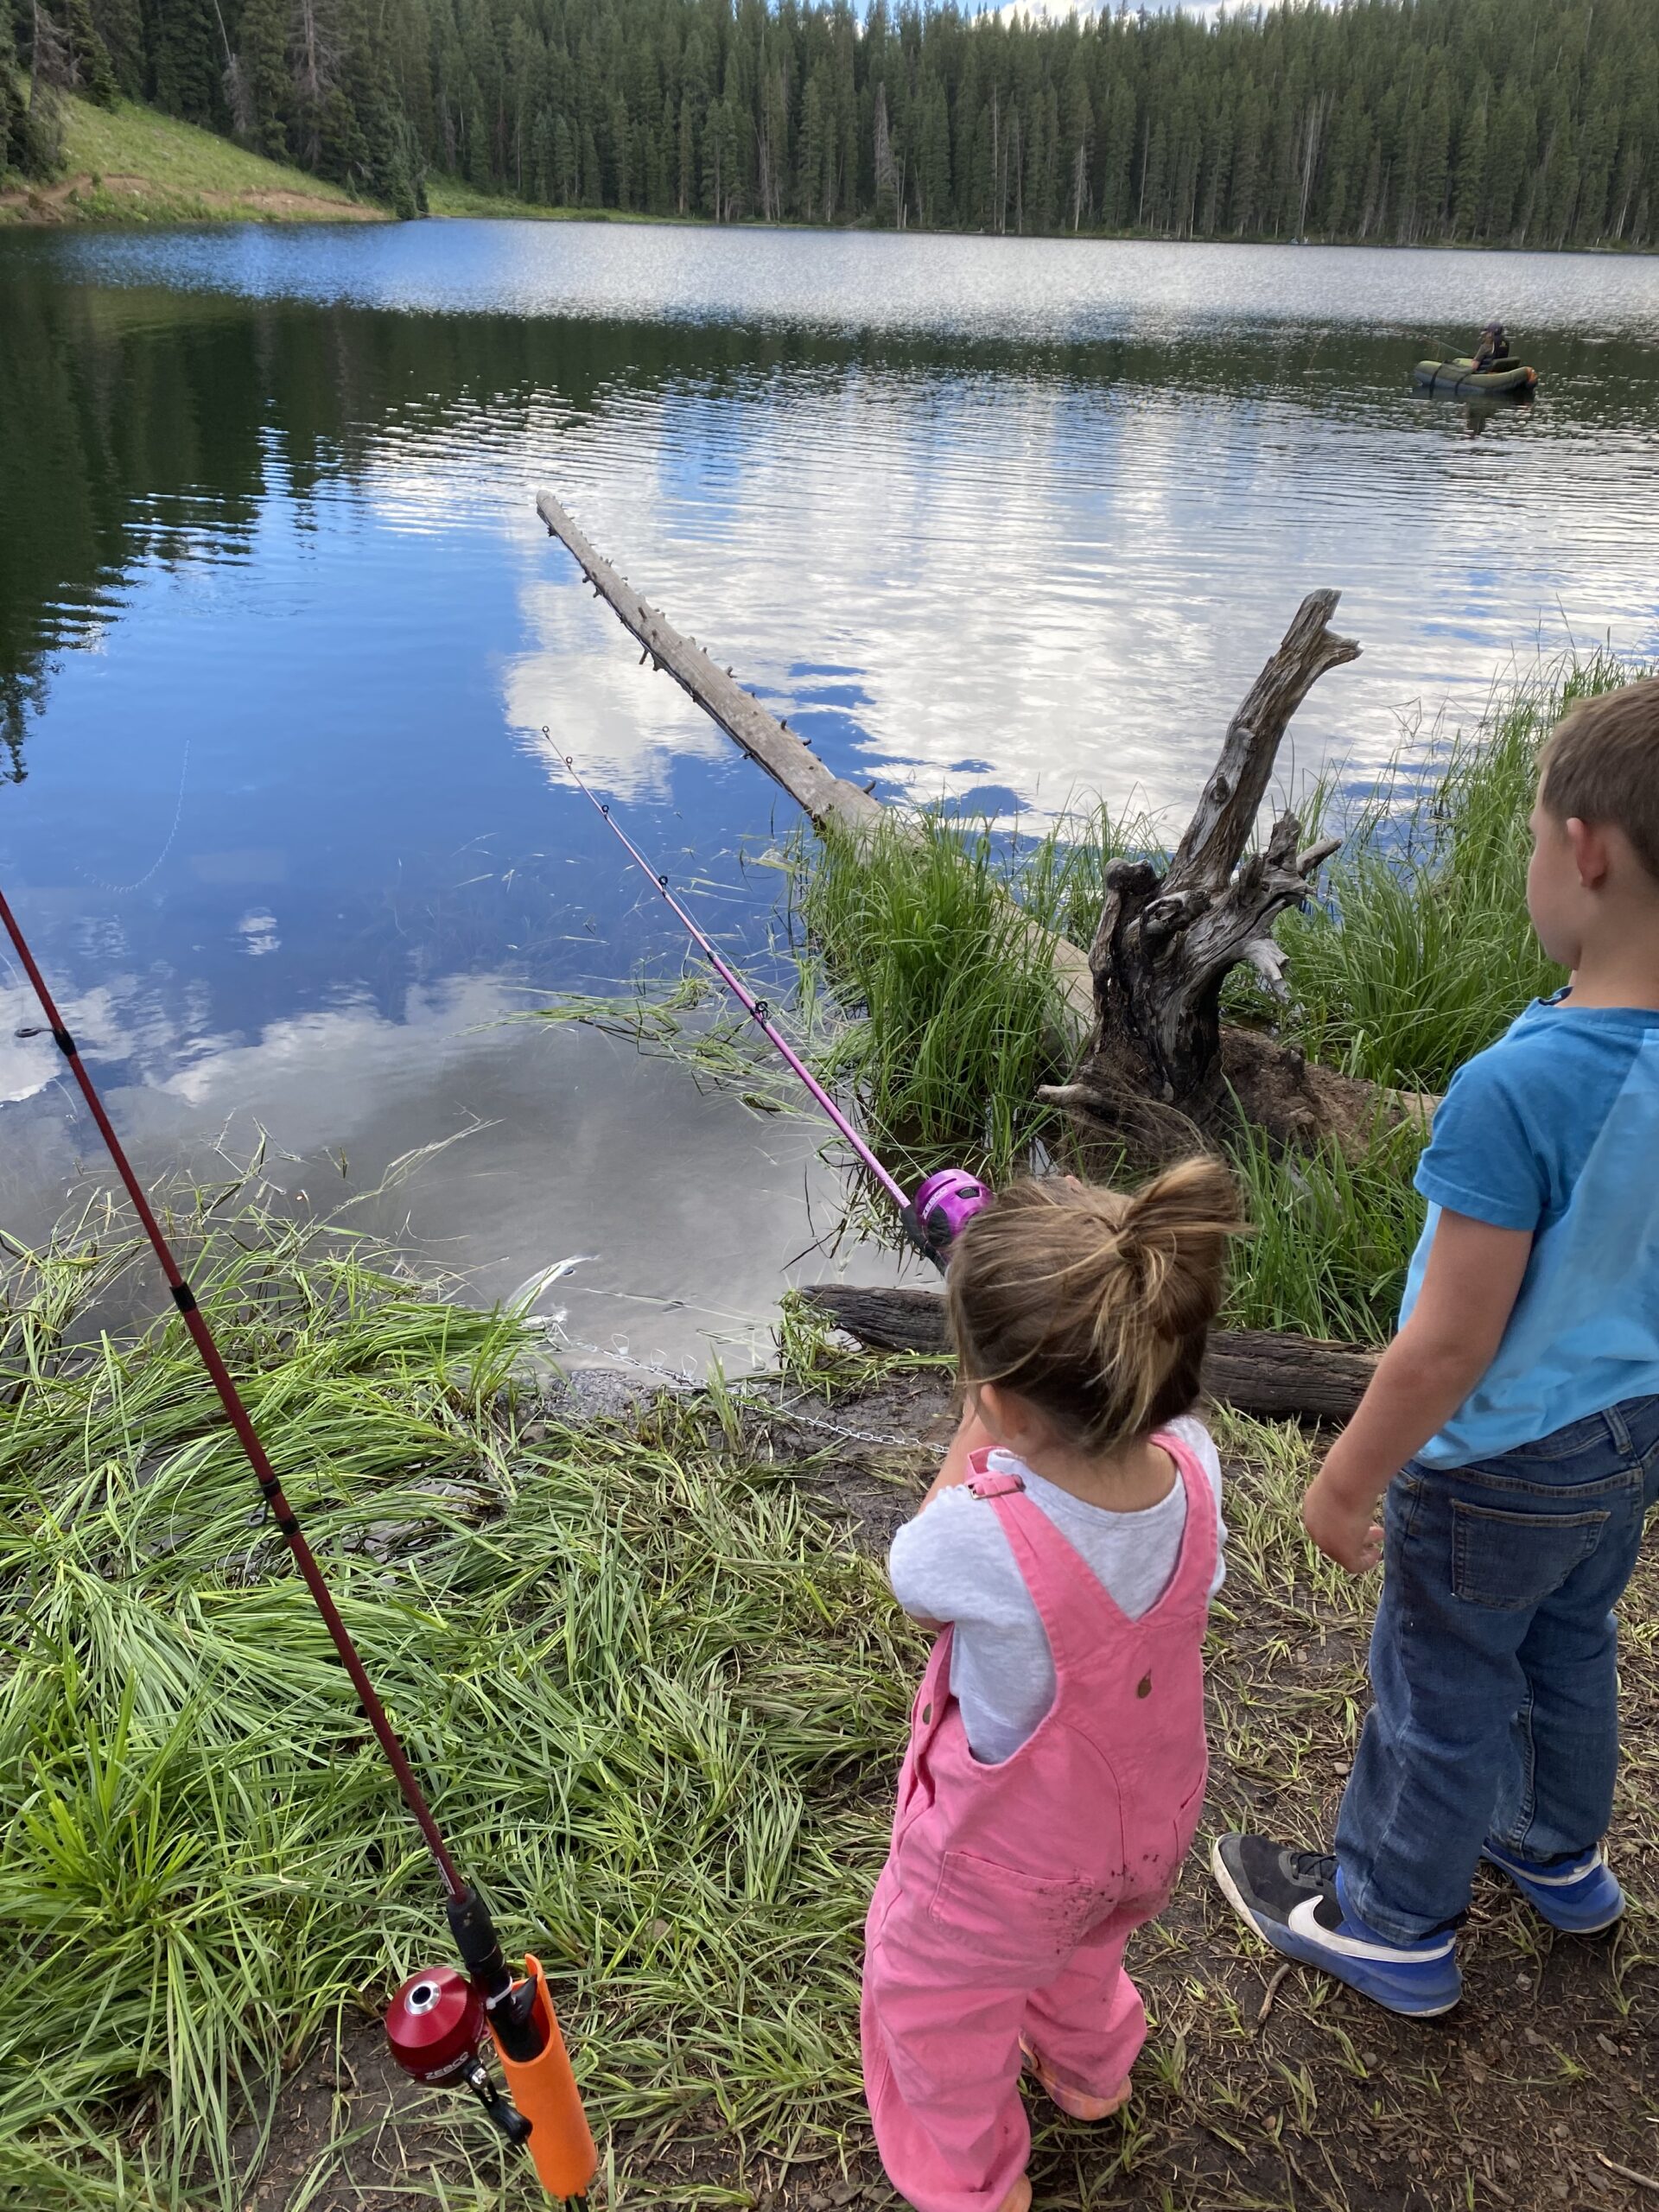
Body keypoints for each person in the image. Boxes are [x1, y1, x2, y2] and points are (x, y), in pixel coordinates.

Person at [1212, 676, 1659, 2018]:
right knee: (1569, 1642)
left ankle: (1393, 1920)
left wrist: (1347, 1475)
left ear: (1583, 849)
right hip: (1629, 1436)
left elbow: (1447, 1346)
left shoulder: (1518, 1090)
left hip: (1495, 1459)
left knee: (1440, 1682)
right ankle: (1558, 1853)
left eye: (1528, 838)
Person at [862, 1160, 1243, 2212]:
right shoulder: (1196, 1464)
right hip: (1145, 1830)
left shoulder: (981, 1536)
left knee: (933, 1999)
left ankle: (972, 2182)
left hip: (1005, 1863)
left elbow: (913, 1575)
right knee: (1085, 1946)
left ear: (997, 1400)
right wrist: (1012, 1379)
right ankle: (1090, 2073)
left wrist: (980, 1423)